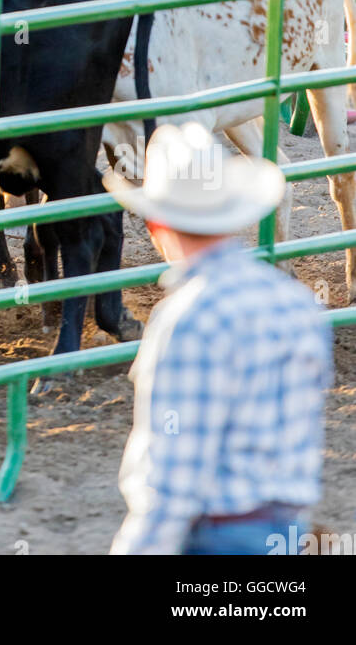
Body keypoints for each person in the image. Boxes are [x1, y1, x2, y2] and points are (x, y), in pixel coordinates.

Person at [103, 122, 332, 556]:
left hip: (218, 535)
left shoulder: (190, 317)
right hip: (288, 526)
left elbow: (174, 474)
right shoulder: (295, 303)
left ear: (156, 226)